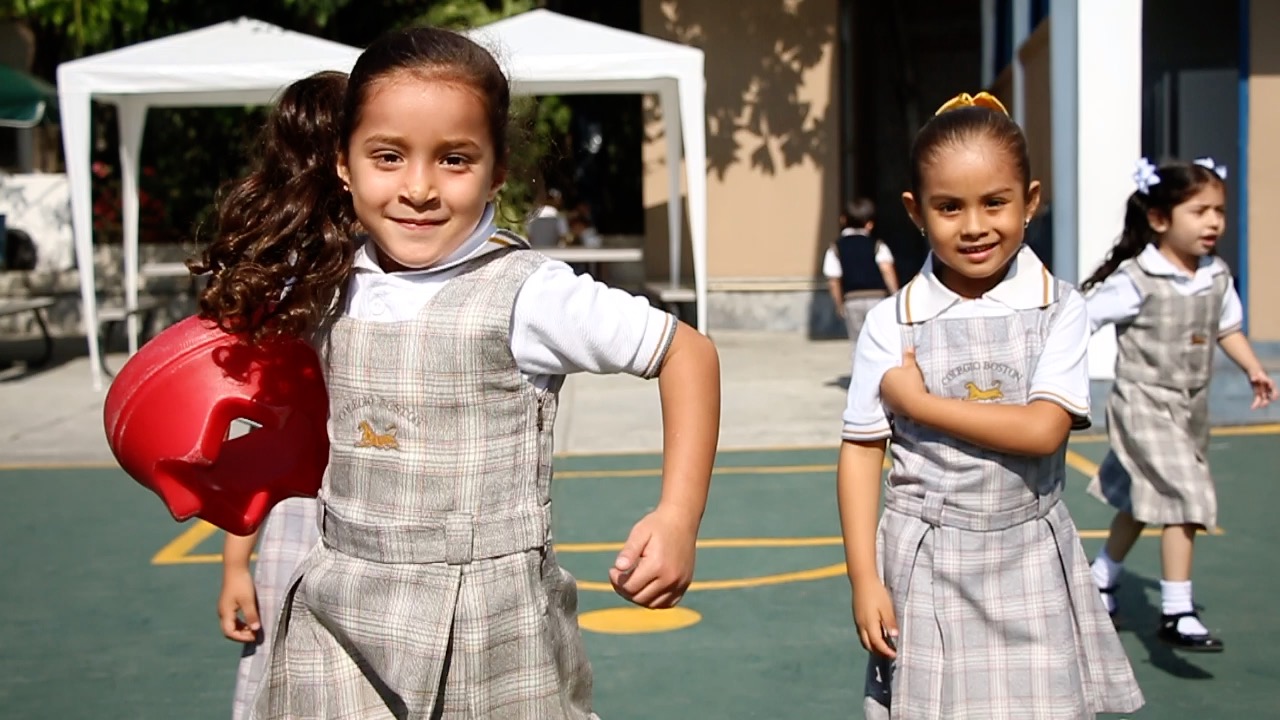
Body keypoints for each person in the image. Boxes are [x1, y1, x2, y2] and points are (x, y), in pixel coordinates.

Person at [195, 26, 721, 719]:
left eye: (454, 159)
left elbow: (687, 352)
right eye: (388, 156)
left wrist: (678, 516)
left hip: (488, 626)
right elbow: (281, 428)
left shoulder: (530, 292)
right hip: (340, 607)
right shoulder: (328, 281)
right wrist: (237, 540)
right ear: (344, 164)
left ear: (497, 169)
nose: (418, 187)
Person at [836, 91, 1143, 718]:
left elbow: (1041, 431)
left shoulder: (1060, 307)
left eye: (994, 202)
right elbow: (863, 450)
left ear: (1029, 200)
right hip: (926, 558)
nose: (974, 226)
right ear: (915, 211)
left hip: (1030, 549)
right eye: (949, 207)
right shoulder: (893, 321)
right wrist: (864, 578)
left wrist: (918, 402)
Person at [191, 70, 347, 720]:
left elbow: (254, 432)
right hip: (317, 508)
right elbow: (265, 425)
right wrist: (236, 565)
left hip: (300, 509)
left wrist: (235, 561)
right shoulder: (300, 276)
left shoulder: (296, 270)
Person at [1081, 157, 1277, 652]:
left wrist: (1254, 367)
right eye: (1199, 211)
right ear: (1160, 219)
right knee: (1185, 497)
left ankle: (1099, 579)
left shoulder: (1215, 274)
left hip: (1189, 408)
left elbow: (1227, 327)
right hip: (1142, 403)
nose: (1213, 222)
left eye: (1219, 211)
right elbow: (1081, 321)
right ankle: (1177, 611)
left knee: (1140, 500)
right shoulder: (1136, 278)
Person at [822, 197, 899, 344]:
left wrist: (839, 304)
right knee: (881, 341)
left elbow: (833, 280)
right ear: (869, 224)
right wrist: (895, 296)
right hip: (878, 299)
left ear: (843, 220)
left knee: (858, 344)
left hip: (852, 300)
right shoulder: (877, 245)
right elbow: (887, 270)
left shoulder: (835, 249)